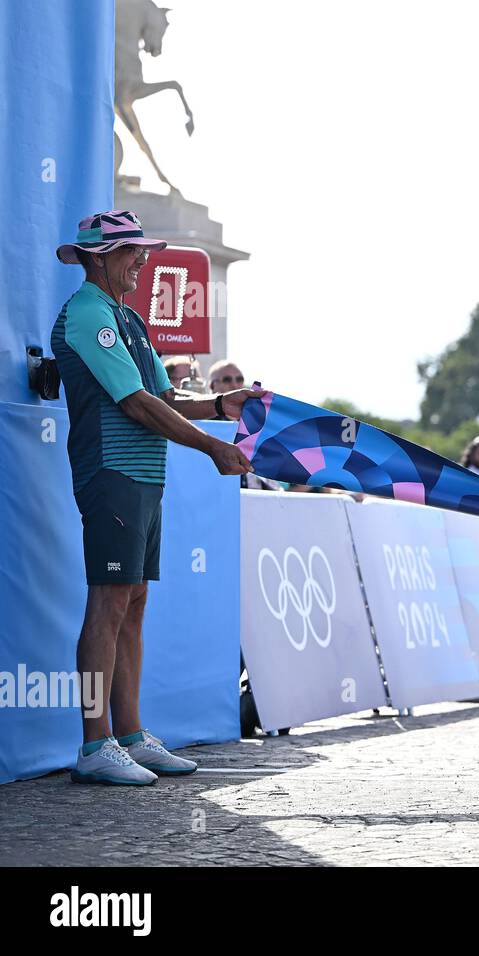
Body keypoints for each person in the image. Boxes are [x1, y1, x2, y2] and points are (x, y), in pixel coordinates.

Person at [52, 210, 264, 786]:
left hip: (145, 475)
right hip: (110, 471)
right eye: (131, 252)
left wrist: (222, 407)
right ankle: (95, 743)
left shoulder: (132, 320)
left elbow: (166, 399)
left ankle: (128, 734)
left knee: (135, 600)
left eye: (143, 251)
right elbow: (135, 405)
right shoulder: (86, 315)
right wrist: (212, 449)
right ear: (98, 258)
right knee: (109, 601)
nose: (143, 261)